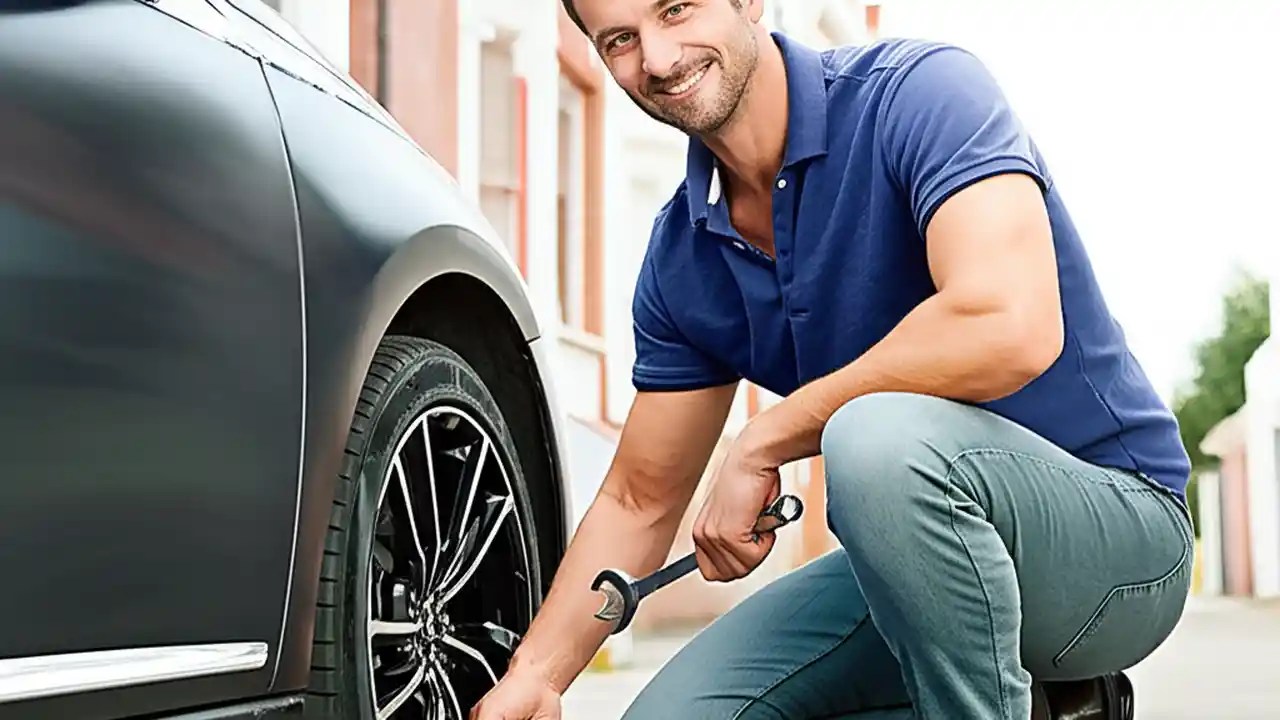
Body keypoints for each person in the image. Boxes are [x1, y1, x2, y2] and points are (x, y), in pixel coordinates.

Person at [471, 1, 1194, 718]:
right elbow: (640, 497)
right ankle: (1049, 709)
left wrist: (766, 437)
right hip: (914, 572)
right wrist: (536, 674)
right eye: (621, 40)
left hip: (1118, 541)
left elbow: (1010, 325)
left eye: (677, 9)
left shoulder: (922, 92)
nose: (658, 59)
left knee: (874, 438)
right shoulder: (681, 258)